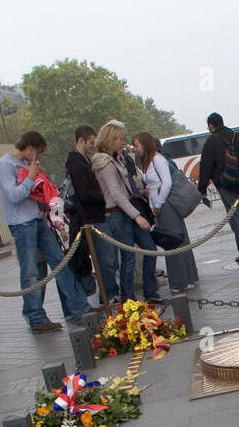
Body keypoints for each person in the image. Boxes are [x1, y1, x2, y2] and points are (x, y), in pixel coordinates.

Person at [0, 131, 90, 332]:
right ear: (29, 147)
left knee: (60, 263)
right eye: (37, 153)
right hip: (21, 224)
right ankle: (36, 317)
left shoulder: (24, 164)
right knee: (30, 272)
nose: (37, 158)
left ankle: (80, 308)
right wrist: (31, 177)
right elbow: (13, 195)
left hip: (37, 219)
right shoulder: (5, 164)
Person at [91, 122, 160, 303]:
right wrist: (137, 216)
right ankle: (126, 297)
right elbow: (116, 193)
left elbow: (125, 188)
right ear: (111, 139)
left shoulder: (115, 159)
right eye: (120, 139)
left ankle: (134, 295)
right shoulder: (105, 163)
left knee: (135, 254)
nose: (123, 143)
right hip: (115, 213)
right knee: (124, 258)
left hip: (122, 211)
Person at [133, 131, 199, 292]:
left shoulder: (157, 159)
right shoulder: (152, 160)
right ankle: (187, 278)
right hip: (162, 205)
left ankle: (180, 281)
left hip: (165, 206)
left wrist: (158, 204)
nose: (135, 149)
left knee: (173, 243)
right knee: (178, 241)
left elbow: (167, 183)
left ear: (144, 144)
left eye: (137, 145)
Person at [197, 113, 239, 265]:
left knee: (235, 216)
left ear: (211, 126)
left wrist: (202, 189)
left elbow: (206, 167)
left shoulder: (211, 141)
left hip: (226, 183)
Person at [65, 124, 108, 291]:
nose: (92, 146)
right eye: (90, 142)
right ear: (81, 140)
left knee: (102, 257)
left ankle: (104, 291)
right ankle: (105, 292)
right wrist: (104, 195)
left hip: (92, 214)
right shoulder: (75, 162)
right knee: (101, 258)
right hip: (88, 216)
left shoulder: (83, 160)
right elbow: (84, 193)